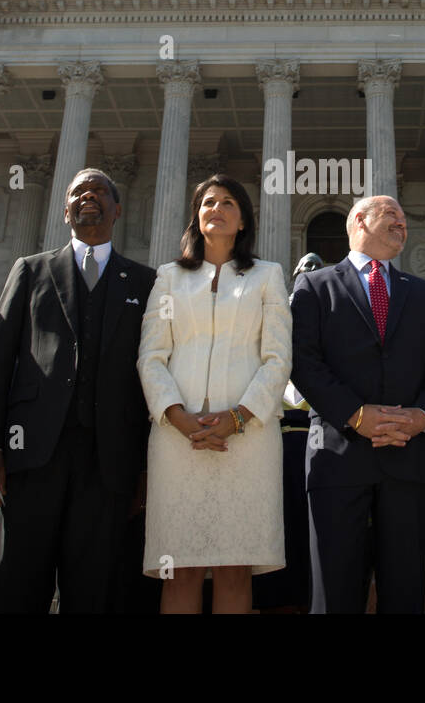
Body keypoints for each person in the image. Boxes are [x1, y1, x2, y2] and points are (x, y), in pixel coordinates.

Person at [0, 168, 155, 613]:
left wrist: (146, 468)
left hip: (108, 461)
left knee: (96, 587)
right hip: (30, 455)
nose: (87, 196)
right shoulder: (31, 270)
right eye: (78, 192)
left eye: (99, 191)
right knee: (14, 581)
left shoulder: (146, 282)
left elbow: (149, 378)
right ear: (65, 210)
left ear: (117, 209)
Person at [290, 195, 425, 613]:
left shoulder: (421, 293)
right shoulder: (314, 286)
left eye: (405, 217)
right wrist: (355, 415)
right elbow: (302, 361)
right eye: (392, 216)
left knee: (405, 592)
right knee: (335, 592)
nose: (402, 223)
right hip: (338, 458)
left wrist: (422, 417)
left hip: (409, 456)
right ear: (360, 221)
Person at [137, 174, 291, 613]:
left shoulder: (267, 276)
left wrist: (238, 417)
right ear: (196, 216)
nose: (216, 209)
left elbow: (278, 358)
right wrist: (176, 416)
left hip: (247, 439)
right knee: (179, 566)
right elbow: (152, 356)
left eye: (227, 203)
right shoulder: (168, 277)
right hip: (176, 437)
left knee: (234, 567)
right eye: (207, 203)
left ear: (242, 220)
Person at [255, 252, 325, 613]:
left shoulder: (329, 340)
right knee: (276, 535)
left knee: (315, 538)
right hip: (277, 448)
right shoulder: (270, 337)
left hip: (319, 447)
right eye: (302, 274)